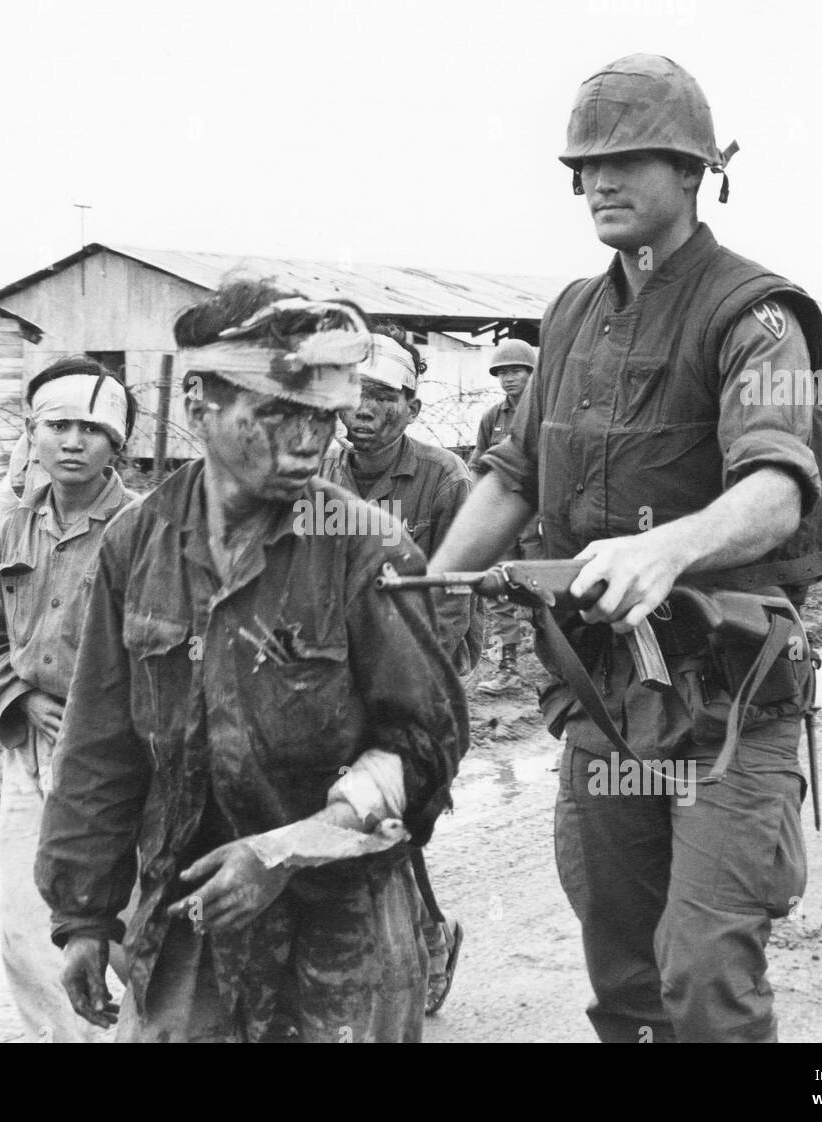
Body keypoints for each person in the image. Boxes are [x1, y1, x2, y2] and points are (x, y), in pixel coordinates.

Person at [438, 53, 822, 1042]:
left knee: (702, 978)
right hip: (605, 695)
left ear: (695, 171)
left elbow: (778, 487)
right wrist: (433, 585)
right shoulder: (569, 314)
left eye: (629, 160)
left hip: (726, 695)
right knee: (622, 968)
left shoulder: (757, 315)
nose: (599, 183)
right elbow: (513, 473)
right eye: (585, 165)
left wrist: (671, 549)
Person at [35, 280, 468, 1043]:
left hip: (342, 931)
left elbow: (424, 745)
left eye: (323, 419)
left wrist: (285, 850)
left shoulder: (363, 545)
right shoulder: (137, 546)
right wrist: (84, 916)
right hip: (189, 916)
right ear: (200, 400)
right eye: (277, 412)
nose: (310, 442)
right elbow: (100, 744)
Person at [0, 356, 137, 1042]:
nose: (73, 441)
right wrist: (19, 697)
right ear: (32, 435)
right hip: (31, 747)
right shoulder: (8, 533)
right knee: (25, 930)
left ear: (116, 444)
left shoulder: (142, 528)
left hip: (118, 757)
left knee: (126, 925)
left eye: (91, 429)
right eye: (57, 425)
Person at [318, 324, 474, 1016]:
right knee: (358, 816)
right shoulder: (320, 471)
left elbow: (454, 591)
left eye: (385, 395)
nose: (366, 408)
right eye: (357, 391)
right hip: (340, 669)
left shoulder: (443, 480)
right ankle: (404, 947)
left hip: (420, 671)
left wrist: (416, 695)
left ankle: (425, 944)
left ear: (411, 408)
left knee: (403, 811)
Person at [470, 338, 543, 695]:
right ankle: (509, 668)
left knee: (543, 593)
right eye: (502, 372)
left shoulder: (548, 414)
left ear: (531, 372)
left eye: (516, 370)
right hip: (501, 521)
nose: (509, 378)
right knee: (498, 593)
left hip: (536, 521)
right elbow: (479, 465)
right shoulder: (491, 418)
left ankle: (561, 667)